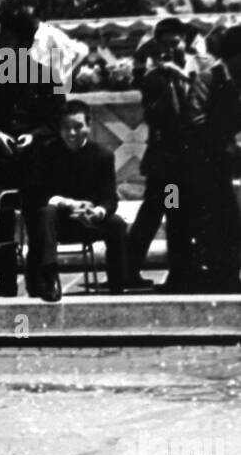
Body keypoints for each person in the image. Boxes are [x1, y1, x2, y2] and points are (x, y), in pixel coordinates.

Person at [0, 0, 66, 298]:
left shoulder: (47, 76)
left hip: (33, 163)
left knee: (38, 219)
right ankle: (6, 281)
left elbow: (56, 120)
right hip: (0, 161)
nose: (2, 46)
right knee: (1, 224)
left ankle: (39, 279)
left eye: (9, 41)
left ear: (24, 44)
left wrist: (34, 136)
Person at [127, 17, 202, 291]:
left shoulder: (195, 72)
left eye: (176, 43)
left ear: (185, 42)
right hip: (167, 166)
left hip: (186, 161)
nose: (172, 50)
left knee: (165, 213)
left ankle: (137, 267)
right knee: (170, 213)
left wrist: (180, 76)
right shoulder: (154, 79)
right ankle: (172, 272)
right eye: (166, 45)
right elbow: (157, 116)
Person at [35, 101, 129, 299]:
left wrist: (97, 212)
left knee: (117, 224)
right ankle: (50, 276)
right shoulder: (47, 153)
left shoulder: (103, 155)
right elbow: (41, 194)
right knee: (46, 212)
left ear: (89, 125)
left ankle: (118, 288)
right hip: (59, 221)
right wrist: (69, 204)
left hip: (89, 220)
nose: (71, 134)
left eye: (78, 127)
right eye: (66, 128)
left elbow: (110, 199)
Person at [186, 25, 241, 294]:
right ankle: (215, 275)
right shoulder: (208, 78)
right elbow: (196, 122)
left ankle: (228, 273)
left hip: (226, 163)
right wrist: (227, 143)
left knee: (229, 219)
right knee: (209, 219)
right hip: (199, 165)